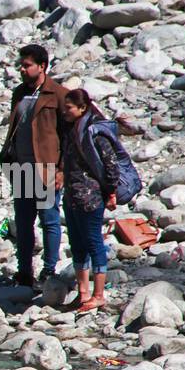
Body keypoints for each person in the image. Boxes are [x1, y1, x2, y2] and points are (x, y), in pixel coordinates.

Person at [1, 44, 69, 289]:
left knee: (49, 220)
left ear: (42, 66)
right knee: (23, 221)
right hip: (21, 168)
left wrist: (62, 169)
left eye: (26, 65)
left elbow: (67, 135)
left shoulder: (58, 94)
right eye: (21, 65)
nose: (21, 69)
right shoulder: (19, 93)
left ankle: (49, 270)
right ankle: (24, 271)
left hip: (47, 168)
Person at [59, 89, 119, 313]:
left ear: (82, 108)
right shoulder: (72, 130)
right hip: (72, 195)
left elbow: (111, 166)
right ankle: (83, 293)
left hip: (90, 196)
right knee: (77, 244)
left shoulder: (95, 132)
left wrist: (111, 191)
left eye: (69, 108)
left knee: (94, 243)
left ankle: (99, 294)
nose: (65, 112)